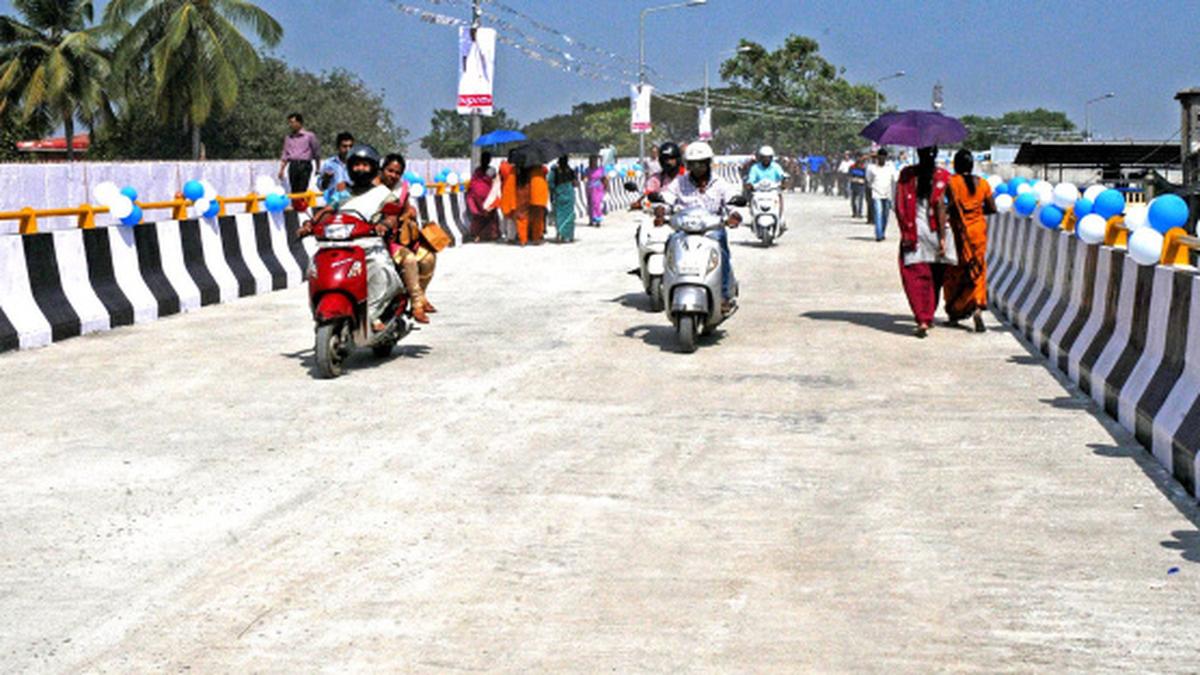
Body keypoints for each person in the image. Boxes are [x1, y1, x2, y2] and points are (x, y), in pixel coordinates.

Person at [296, 145, 403, 332]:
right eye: (357, 165)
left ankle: (373, 313)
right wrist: (310, 225)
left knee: (382, 270)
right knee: (316, 268)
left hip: (370, 243)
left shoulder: (383, 194)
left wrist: (384, 225)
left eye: (365, 165)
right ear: (350, 167)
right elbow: (328, 210)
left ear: (373, 168)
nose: (360, 169)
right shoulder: (343, 193)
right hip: (338, 243)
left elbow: (392, 216)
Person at [655, 141, 743, 312]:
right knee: (670, 244)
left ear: (708, 162)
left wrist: (734, 214)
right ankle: (669, 287)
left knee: (721, 249)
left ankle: (723, 295)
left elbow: (732, 200)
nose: (697, 167)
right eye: (693, 163)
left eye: (701, 163)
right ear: (687, 165)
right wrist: (661, 210)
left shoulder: (720, 183)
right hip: (684, 231)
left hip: (712, 231)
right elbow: (667, 198)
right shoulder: (679, 183)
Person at [895, 145, 955, 338]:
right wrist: (944, 239)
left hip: (915, 233)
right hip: (937, 234)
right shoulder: (944, 177)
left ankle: (923, 317)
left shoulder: (907, 175)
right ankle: (928, 313)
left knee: (915, 276)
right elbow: (945, 208)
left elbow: (899, 205)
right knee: (936, 277)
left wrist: (905, 230)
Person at [943, 149, 996, 333]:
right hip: (978, 232)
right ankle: (978, 308)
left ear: (956, 165)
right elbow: (992, 207)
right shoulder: (983, 184)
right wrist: (977, 212)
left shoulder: (951, 182)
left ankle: (955, 312)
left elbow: (947, 205)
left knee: (955, 272)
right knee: (977, 270)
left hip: (960, 232)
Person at [378, 153, 435, 324]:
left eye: (397, 173)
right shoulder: (371, 187)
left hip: (397, 237)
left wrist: (408, 215)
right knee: (408, 259)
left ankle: (420, 297)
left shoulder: (402, 189)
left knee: (428, 258)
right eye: (390, 171)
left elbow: (408, 208)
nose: (393, 175)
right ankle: (417, 305)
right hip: (377, 239)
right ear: (382, 170)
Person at [278, 113, 319, 209]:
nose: (291, 125)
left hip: (305, 165)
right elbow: (285, 154)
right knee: (294, 190)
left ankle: (302, 209)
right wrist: (281, 169)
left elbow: (316, 151)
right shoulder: (289, 138)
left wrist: (318, 167)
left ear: (300, 123)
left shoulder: (309, 136)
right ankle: (295, 209)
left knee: (302, 189)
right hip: (293, 165)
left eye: (293, 122)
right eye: (290, 123)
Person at [745, 145, 787, 221]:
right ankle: (753, 215)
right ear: (760, 158)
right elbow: (751, 178)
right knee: (751, 198)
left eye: (768, 157)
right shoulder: (755, 167)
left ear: (771, 158)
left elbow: (782, 175)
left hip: (773, 190)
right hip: (758, 190)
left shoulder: (776, 167)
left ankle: (780, 217)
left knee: (779, 196)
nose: (766, 159)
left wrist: (783, 182)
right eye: (764, 157)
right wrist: (749, 184)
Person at [512, 161, 548, 245]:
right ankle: (536, 237)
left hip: (520, 191)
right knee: (536, 216)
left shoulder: (517, 171)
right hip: (531, 193)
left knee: (521, 216)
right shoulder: (534, 171)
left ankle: (523, 239)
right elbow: (545, 171)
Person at [866, 149, 899, 241]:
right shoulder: (871, 167)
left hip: (887, 194)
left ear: (886, 157)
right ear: (877, 157)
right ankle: (879, 235)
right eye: (880, 157)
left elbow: (895, 178)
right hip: (876, 194)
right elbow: (869, 179)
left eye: (883, 157)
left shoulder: (890, 167)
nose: (882, 159)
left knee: (885, 215)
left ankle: (882, 232)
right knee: (878, 213)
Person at [466, 151, 499, 242]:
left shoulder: (477, 170)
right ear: (489, 160)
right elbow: (496, 182)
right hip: (487, 195)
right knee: (490, 215)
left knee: (478, 217)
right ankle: (490, 234)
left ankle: (476, 235)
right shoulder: (492, 170)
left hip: (476, 195)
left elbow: (473, 182)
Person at [317, 131, 354, 207]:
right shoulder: (329, 163)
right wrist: (326, 179)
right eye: (344, 146)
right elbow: (321, 187)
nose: (348, 150)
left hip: (353, 204)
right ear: (338, 147)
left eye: (350, 146)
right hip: (333, 205)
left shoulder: (357, 165)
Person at [548, 155, 578, 242]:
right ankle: (568, 235)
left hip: (559, 196)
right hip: (569, 196)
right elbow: (575, 183)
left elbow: (550, 183)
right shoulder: (571, 171)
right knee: (569, 215)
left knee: (559, 215)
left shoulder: (554, 171)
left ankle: (560, 234)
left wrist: (554, 192)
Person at [498, 151, 518, 242]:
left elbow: (500, 177)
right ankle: (513, 235)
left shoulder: (503, 167)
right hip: (515, 193)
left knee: (506, 215)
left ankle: (507, 234)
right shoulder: (517, 168)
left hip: (506, 192)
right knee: (513, 216)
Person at [585, 155, 608, 227]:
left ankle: (598, 220)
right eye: (592, 160)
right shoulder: (587, 169)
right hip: (589, 188)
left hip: (598, 188)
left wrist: (606, 188)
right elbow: (585, 177)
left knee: (596, 204)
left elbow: (605, 179)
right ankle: (591, 220)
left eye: (595, 160)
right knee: (590, 204)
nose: (594, 162)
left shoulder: (601, 169)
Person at [848, 154, 867, 219]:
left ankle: (860, 213)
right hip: (853, 185)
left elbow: (866, 178)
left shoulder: (863, 168)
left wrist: (862, 181)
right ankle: (854, 212)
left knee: (860, 200)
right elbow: (849, 176)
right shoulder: (852, 167)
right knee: (853, 200)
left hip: (861, 186)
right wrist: (854, 179)